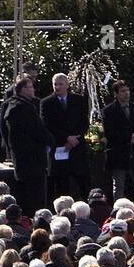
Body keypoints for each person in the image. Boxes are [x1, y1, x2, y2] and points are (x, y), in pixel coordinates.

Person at [3, 76, 49, 214]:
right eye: (30, 87)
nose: (33, 89)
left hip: (26, 159)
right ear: (23, 90)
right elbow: (36, 130)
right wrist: (50, 140)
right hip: (30, 160)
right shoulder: (21, 108)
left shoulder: (18, 106)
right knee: (33, 198)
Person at [41, 71, 90, 201]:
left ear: (67, 85)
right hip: (59, 148)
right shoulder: (46, 103)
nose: (57, 87)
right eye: (55, 84)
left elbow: (84, 122)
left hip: (77, 147)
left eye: (60, 84)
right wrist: (66, 138)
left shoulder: (78, 100)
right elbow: (48, 126)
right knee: (62, 186)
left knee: (83, 183)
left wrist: (75, 139)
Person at [102, 80, 134, 202]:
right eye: (123, 91)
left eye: (127, 90)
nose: (126, 93)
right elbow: (110, 132)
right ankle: (118, 211)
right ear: (116, 94)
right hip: (119, 153)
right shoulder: (109, 111)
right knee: (119, 186)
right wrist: (129, 137)